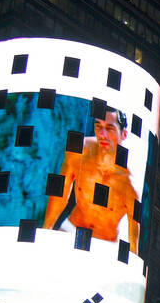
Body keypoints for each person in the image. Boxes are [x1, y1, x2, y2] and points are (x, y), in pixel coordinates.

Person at [43, 106, 141, 251]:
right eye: (98, 126)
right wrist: (47, 229)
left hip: (104, 245)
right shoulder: (80, 150)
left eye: (109, 128)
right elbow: (60, 193)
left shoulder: (129, 183)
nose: (102, 134)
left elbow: (134, 232)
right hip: (71, 228)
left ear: (124, 134)